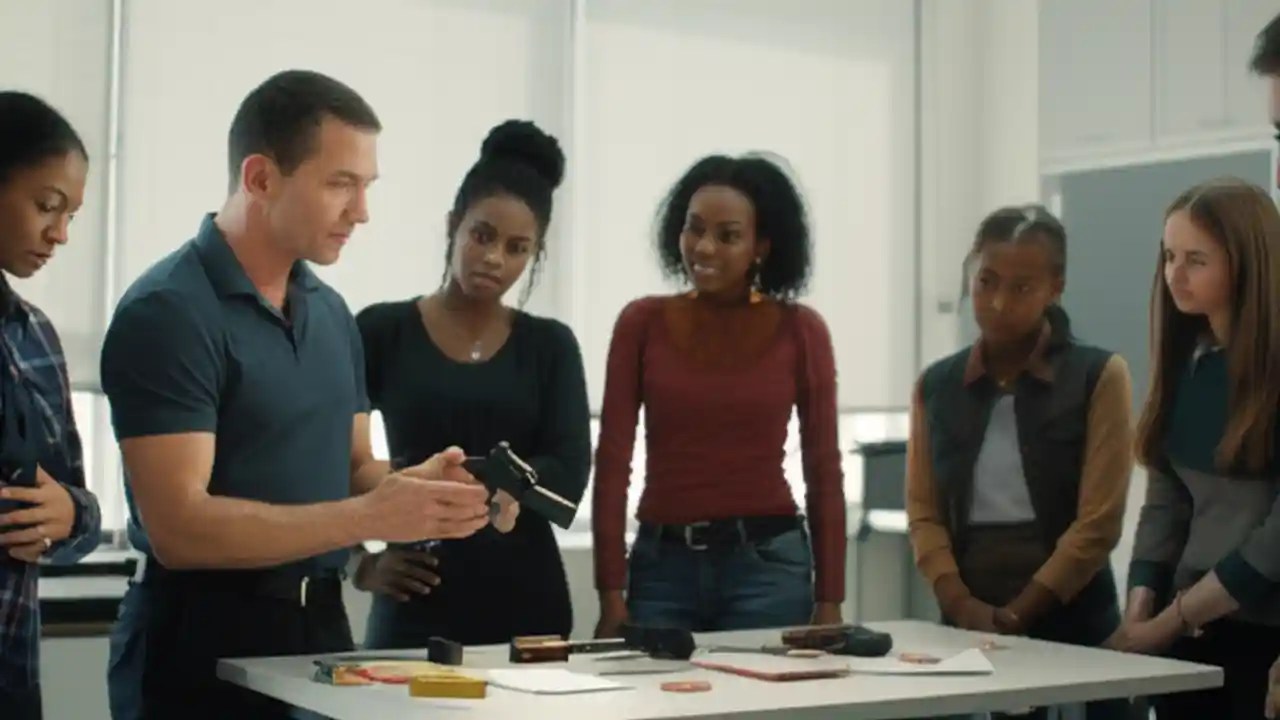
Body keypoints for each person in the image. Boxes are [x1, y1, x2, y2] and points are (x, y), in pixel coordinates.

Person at [98, 70, 493, 719]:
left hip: (321, 633)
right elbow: (180, 528)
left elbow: (356, 467)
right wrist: (370, 518)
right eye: (341, 183)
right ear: (259, 178)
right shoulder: (168, 311)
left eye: (366, 187)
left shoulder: (331, 313)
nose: (361, 212)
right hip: (199, 638)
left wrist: (420, 489)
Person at [353, 119, 589, 648]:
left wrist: (471, 484)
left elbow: (569, 480)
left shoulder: (549, 346)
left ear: (535, 254)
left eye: (516, 248)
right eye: (482, 235)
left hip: (528, 604)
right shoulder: (381, 331)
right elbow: (327, 462)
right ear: (452, 225)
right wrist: (359, 564)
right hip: (413, 605)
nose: (493, 259)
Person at [592, 153, 845, 637]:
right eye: (694, 229)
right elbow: (612, 461)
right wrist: (610, 593)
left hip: (767, 567)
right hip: (662, 567)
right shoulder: (642, 323)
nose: (704, 247)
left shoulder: (801, 331)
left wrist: (830, 602)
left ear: (761, 247)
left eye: (727, 236)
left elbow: (823, 468)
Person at [905, 205, 1133, 720]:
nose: (998, 302)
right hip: (966, 620)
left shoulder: (1099, 375)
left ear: (1056, 287)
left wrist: (1020, 612)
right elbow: (923, 513)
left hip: (1073, 618)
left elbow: (1098, 522)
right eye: (986, 281)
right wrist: (962, 605)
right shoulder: (936, 386)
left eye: (1022, 288)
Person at [1111, 178, 1280, 720]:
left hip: (1261, 636)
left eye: (1196, 260)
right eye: (1168, 256)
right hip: (1189, 627)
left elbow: (1274, 541)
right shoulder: (1192, 366)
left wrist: (1168, 623)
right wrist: (1141, 606)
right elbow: (1166, 500)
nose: (1173, 275)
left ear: (1247, 265)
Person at [0, 91, 103, 720]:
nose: (60, 234)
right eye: (46, 206)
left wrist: (69, 513)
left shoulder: (34, 334)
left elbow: (83, 507)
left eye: (70, 215)